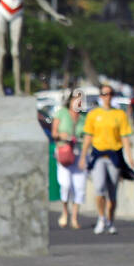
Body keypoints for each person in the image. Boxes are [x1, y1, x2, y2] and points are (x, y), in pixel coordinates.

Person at [80, 84, 134, 235]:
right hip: (98, 156)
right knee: (99, 189)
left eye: (110, 94)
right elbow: (87, 137)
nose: (107, 97)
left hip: (114, 156)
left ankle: (110, 221)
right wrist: (83, 157)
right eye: (104, 94)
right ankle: (101, 218)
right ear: (100, 96)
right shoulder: (93, 114)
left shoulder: (119, 115)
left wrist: (130, 157)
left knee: (112, 193)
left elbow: (125, 137)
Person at [52, 88, 88, 229]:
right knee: (65, 184)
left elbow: (88, 136)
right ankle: (65, 211)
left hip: (79, 153)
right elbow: (54, 133)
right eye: (75, 99)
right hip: (65, 152)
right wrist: (64, 137)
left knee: (79, 186)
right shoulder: (61, 113)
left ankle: (74, 217)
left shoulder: (84, 118)